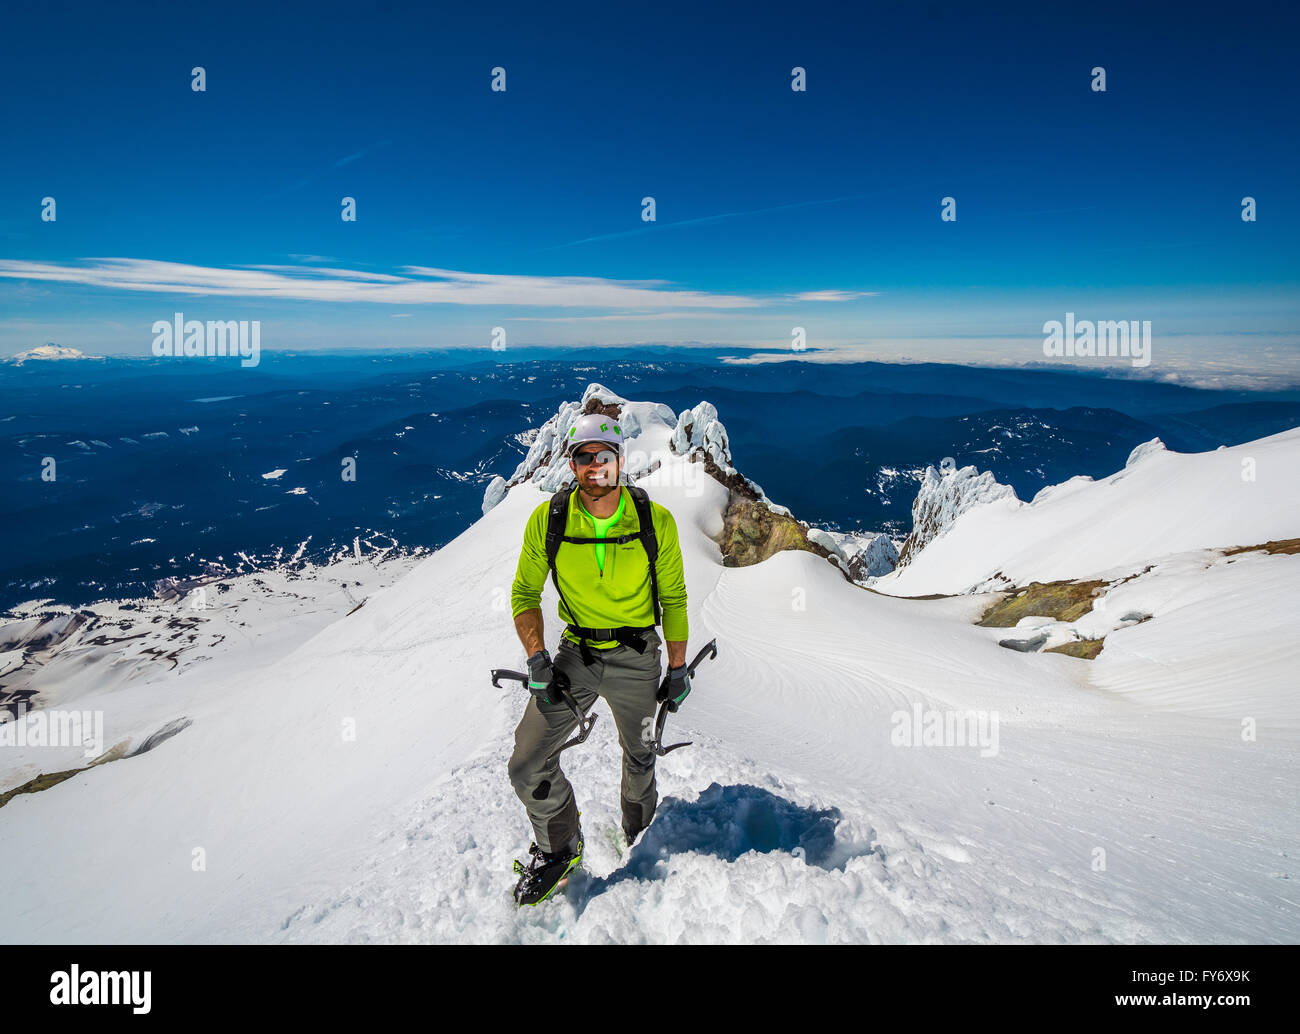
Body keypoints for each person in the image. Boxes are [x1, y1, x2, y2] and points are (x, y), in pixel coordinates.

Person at [506, 412, 690, 904]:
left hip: (638, 656)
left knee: (641, 755)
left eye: (602, 456)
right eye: (583, 457)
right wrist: (537, 660)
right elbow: (524, 593)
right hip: (575, 655)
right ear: (571, 464)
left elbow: (674, 598)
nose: (594, 466)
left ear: (619, 460)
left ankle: (640, 833)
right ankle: (560, 846)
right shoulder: (550, 520)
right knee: (527, 763)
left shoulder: (654, 521)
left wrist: (676, 668)